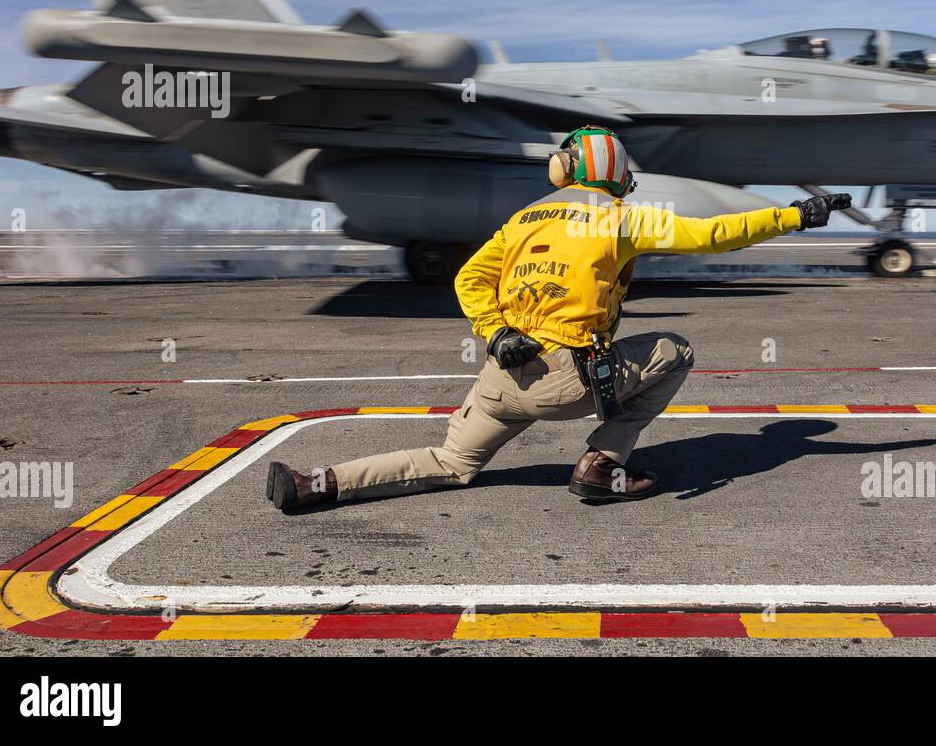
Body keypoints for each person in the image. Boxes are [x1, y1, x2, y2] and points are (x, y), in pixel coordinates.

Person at [266, 126, 849, 509]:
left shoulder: (521, 220)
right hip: (571, 378)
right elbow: (712, 235)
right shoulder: (618, 216)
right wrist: (795, 215)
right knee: (675, 349)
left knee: (449, 462)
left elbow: (469, 278)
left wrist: (495, 332)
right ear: (612, 170)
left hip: (500, 378)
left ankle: (315, 484)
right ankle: (601, 464)